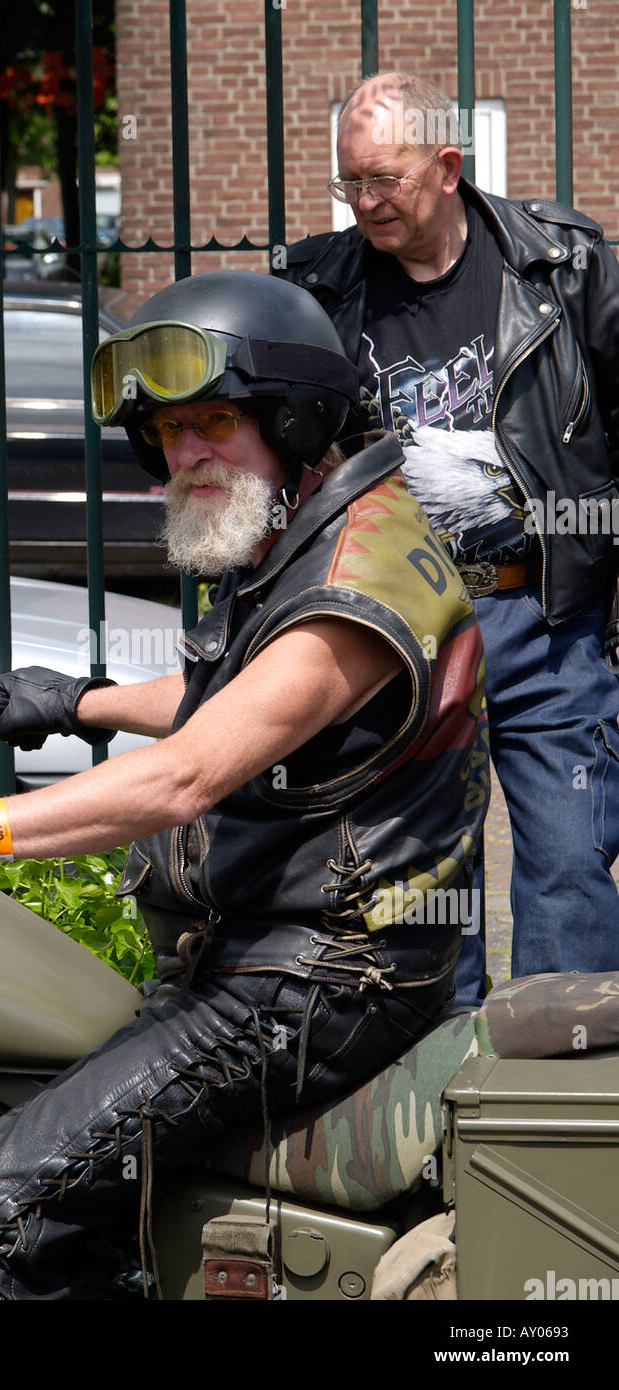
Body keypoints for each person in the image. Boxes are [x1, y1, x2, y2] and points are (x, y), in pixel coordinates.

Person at [0, 269, 488, 1300]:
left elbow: (189, 775)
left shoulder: (348, 593)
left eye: (217, 424)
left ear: (291, 419)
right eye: (168, 433)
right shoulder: (329, 528)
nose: (185, 455)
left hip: (310, 983)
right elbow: (232, 699)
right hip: (278, 955)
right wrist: (77, 702)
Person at [275, 71, 619, 1002]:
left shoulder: (563, 264)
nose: (366, 203)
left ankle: (556, 1101)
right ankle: (435, 1100)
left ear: (447, 166)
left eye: (383, 179)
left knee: (570, 863)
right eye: (351, 184)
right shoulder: (316, 289)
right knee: (426, 881)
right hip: (400, 631)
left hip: (545, 617)